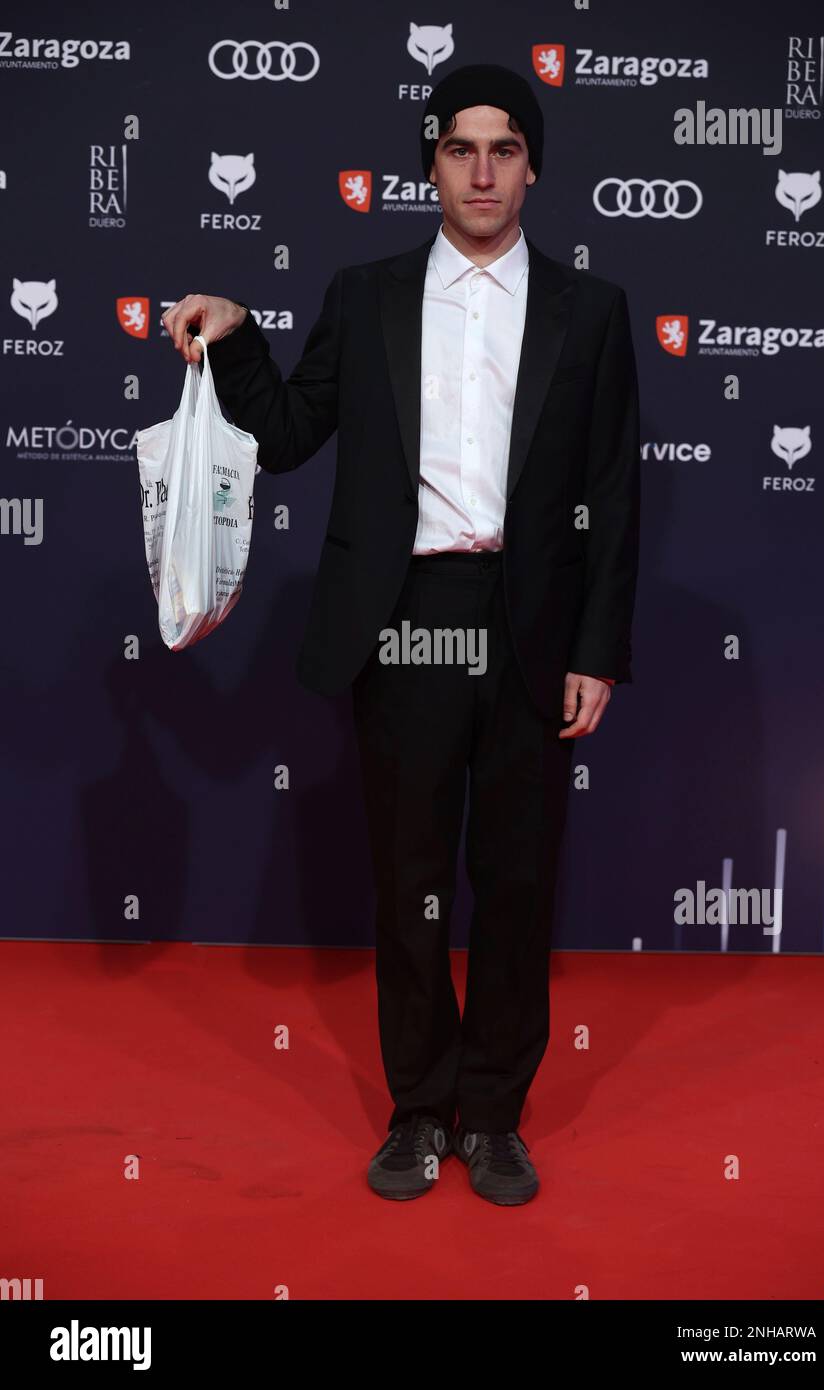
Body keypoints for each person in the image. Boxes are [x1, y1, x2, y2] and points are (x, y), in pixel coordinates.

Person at [161, 63, 640, 1207]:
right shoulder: (365, 293)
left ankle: (492, 1116)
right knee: (412, 881)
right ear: (428, 163)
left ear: (531, 166)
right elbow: (283, 437)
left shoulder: (593, 310)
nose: (481, 169)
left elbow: (614, 493)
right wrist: (235, 336)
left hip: (527, 622)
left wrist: (596, 648)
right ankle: (418, 1110)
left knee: (515, 886)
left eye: (504, 148)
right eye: (458, 147)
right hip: (406, 622)